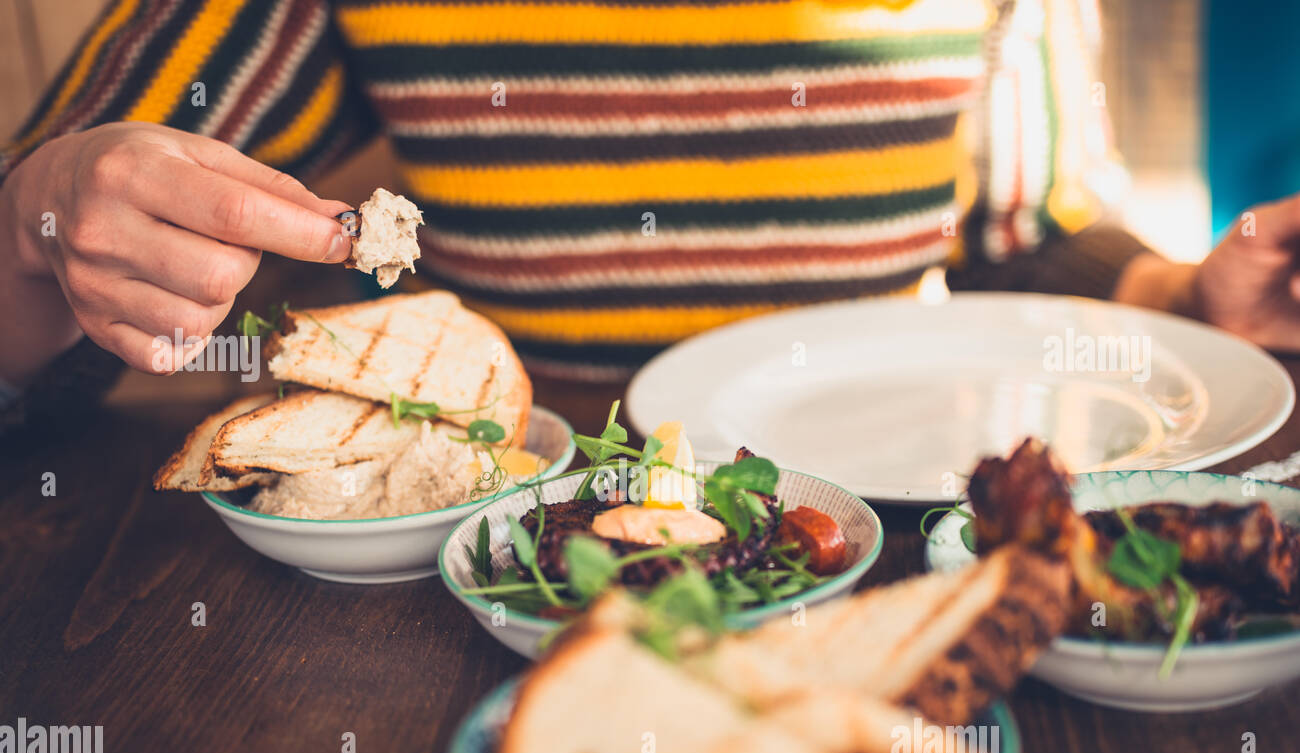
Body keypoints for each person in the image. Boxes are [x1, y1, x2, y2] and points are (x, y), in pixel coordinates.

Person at [0, 0, 1295, 429]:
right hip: (499, 567)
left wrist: (1195, 300)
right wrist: (41, 223)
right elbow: (61, 230)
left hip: (899, 535)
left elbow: (1032, 226)